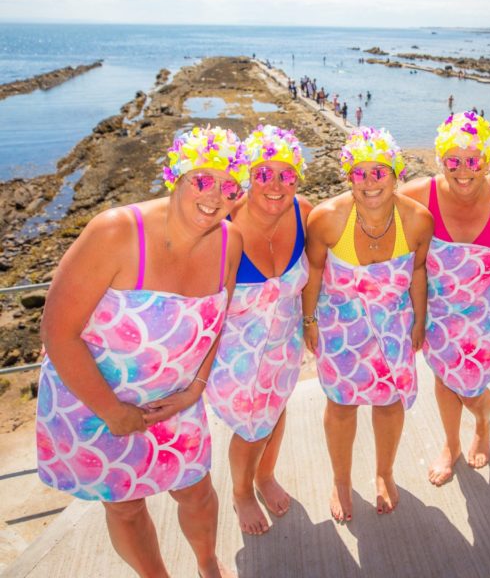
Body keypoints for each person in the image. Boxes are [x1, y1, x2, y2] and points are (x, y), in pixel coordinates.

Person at [36, 125, 247, 578]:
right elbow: (57, 332)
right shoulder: (116, 232)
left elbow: (217, 321)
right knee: (126, 506)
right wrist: (113, 411)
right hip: (95, 400)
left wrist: (197, 387)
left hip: (175, 399)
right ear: (176, 175)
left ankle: (208, 563)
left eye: (230, 187)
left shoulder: (231, 243)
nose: (215, 196)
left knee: (195, 491)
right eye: (202, 180)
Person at [302, 127, 433, 522]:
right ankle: (341, 480)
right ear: (348, 177)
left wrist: (419, 322)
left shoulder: (417, 220)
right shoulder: (326, 219)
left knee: (389, 403)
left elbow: (419, 272)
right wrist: (309, 320)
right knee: (341, 406)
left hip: (393, 327)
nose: (370, 182)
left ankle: (384, 472)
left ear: (397, 174)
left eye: (380, 172)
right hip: (340, 330)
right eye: (360, 173)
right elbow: (313, 274)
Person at [206, 126, 312, 536]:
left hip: (285, 348)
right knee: (250, 429)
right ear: (246, 175)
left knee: (276, 411)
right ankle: (241, 490)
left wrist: (312, 324)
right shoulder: (221, 221)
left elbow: (322, 270)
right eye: (263, 172)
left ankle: (266, 476)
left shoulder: (304, 211)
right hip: (235, 356)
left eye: (286, 175)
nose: (274, 185)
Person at [400, 111, 490, 485]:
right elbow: (371, 209)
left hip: (484, 323)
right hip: (439, 319)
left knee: (475, 392)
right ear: (441, 161)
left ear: (489, 162)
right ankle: (451, 444)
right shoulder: (420, 194)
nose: (464, 170)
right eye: (454, 161)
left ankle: (482, 422)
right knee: (445, 380)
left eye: (474, 161)